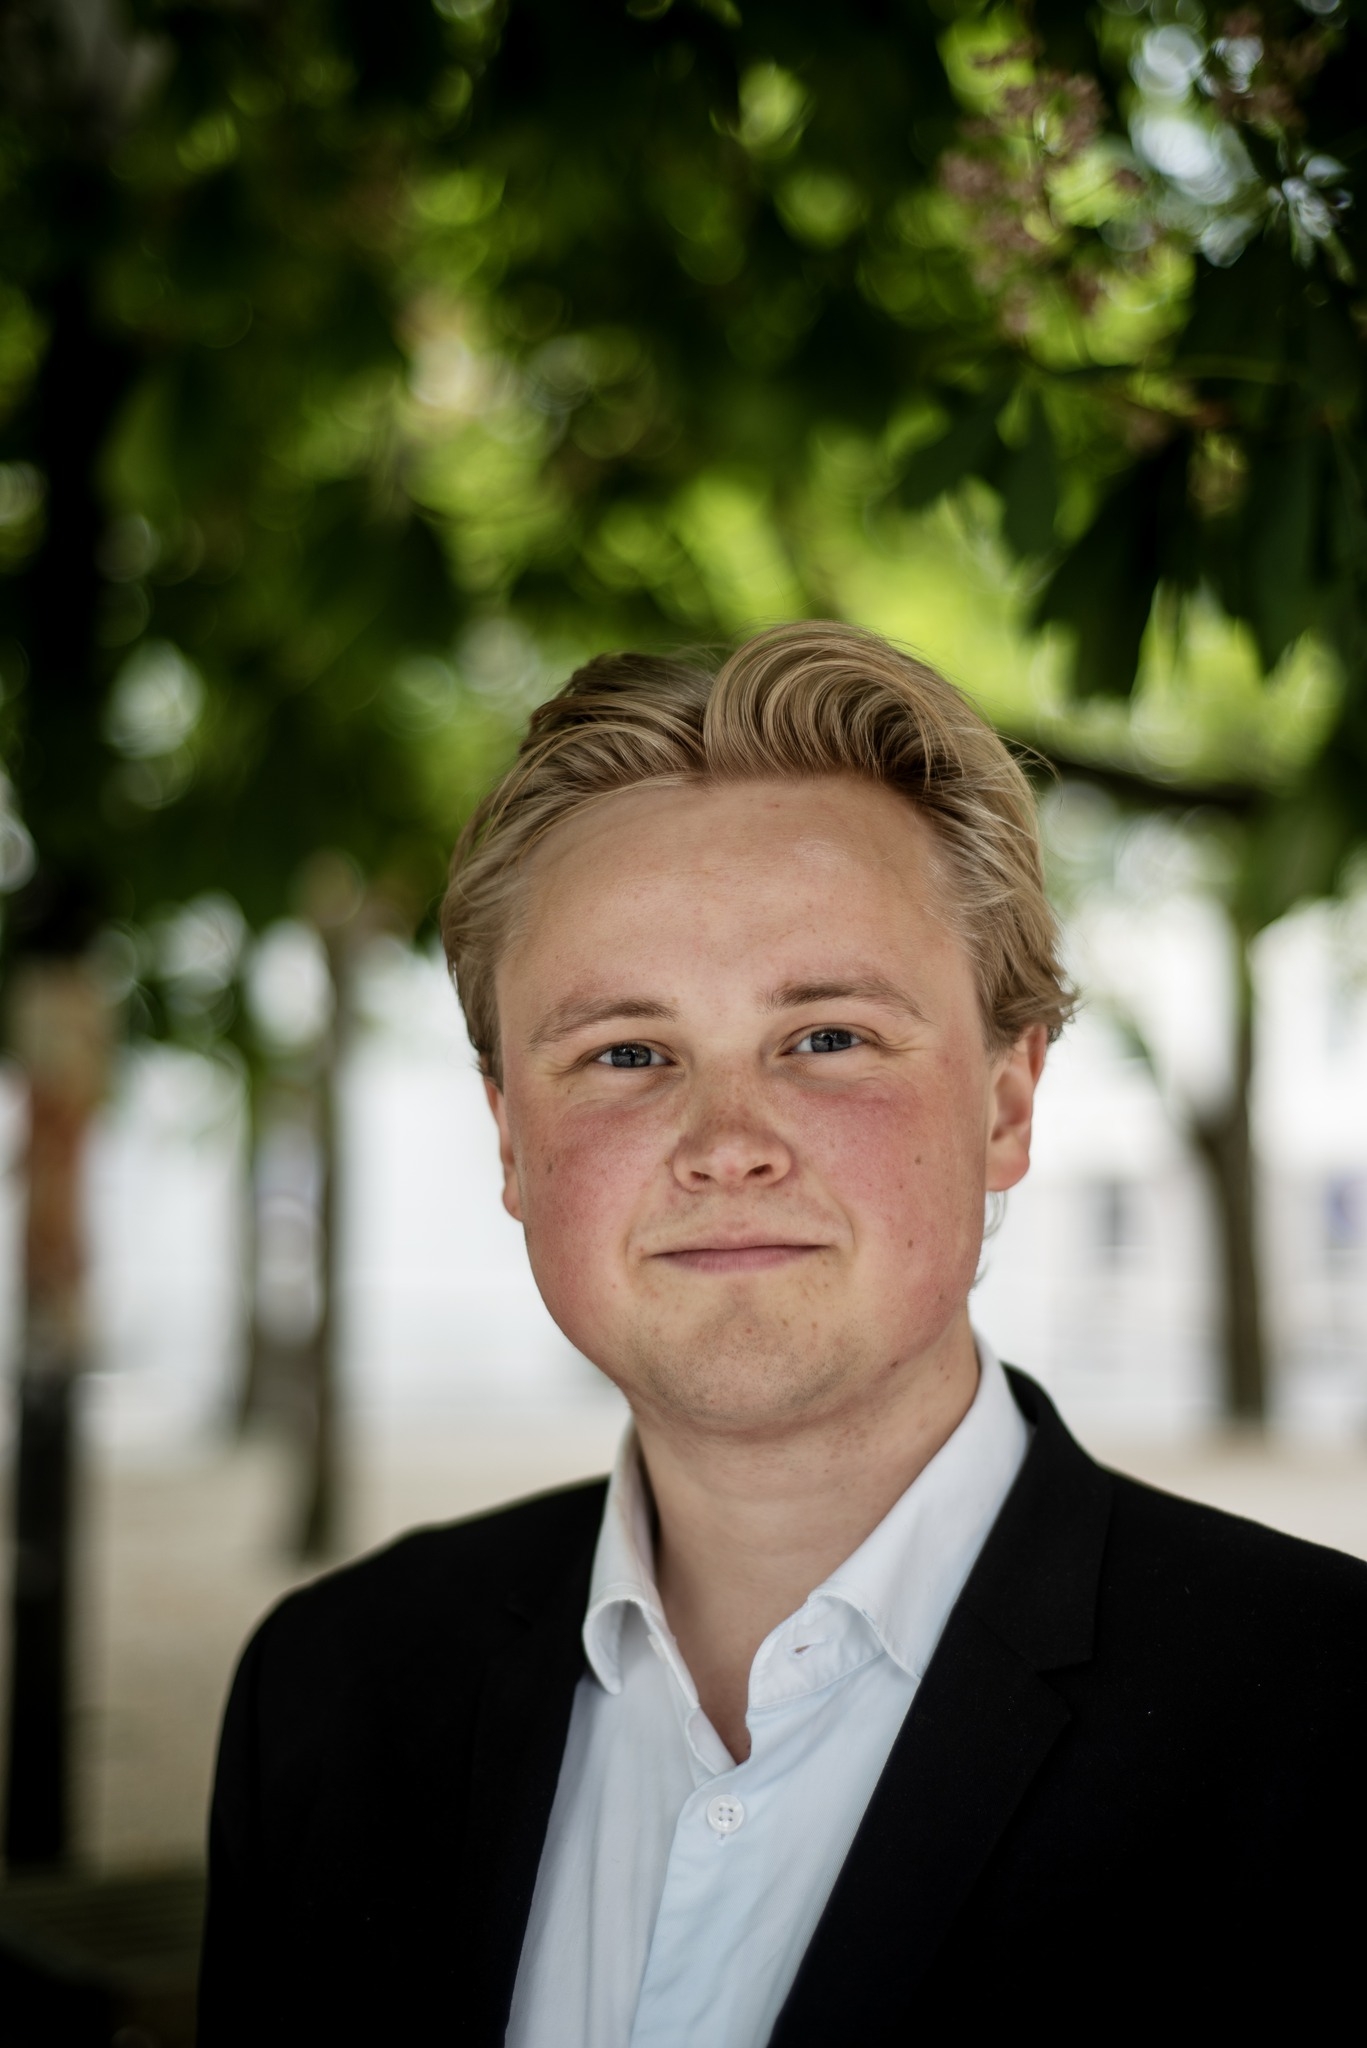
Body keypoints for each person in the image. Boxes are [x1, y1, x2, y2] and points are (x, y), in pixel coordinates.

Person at [199, 623, 1367, 2045]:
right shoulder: (329, 1698)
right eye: (626, 1054)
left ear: (1006, 1104)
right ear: (510, 1140)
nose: (726, 1143)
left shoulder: (1332, 1722)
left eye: (827, 1039)